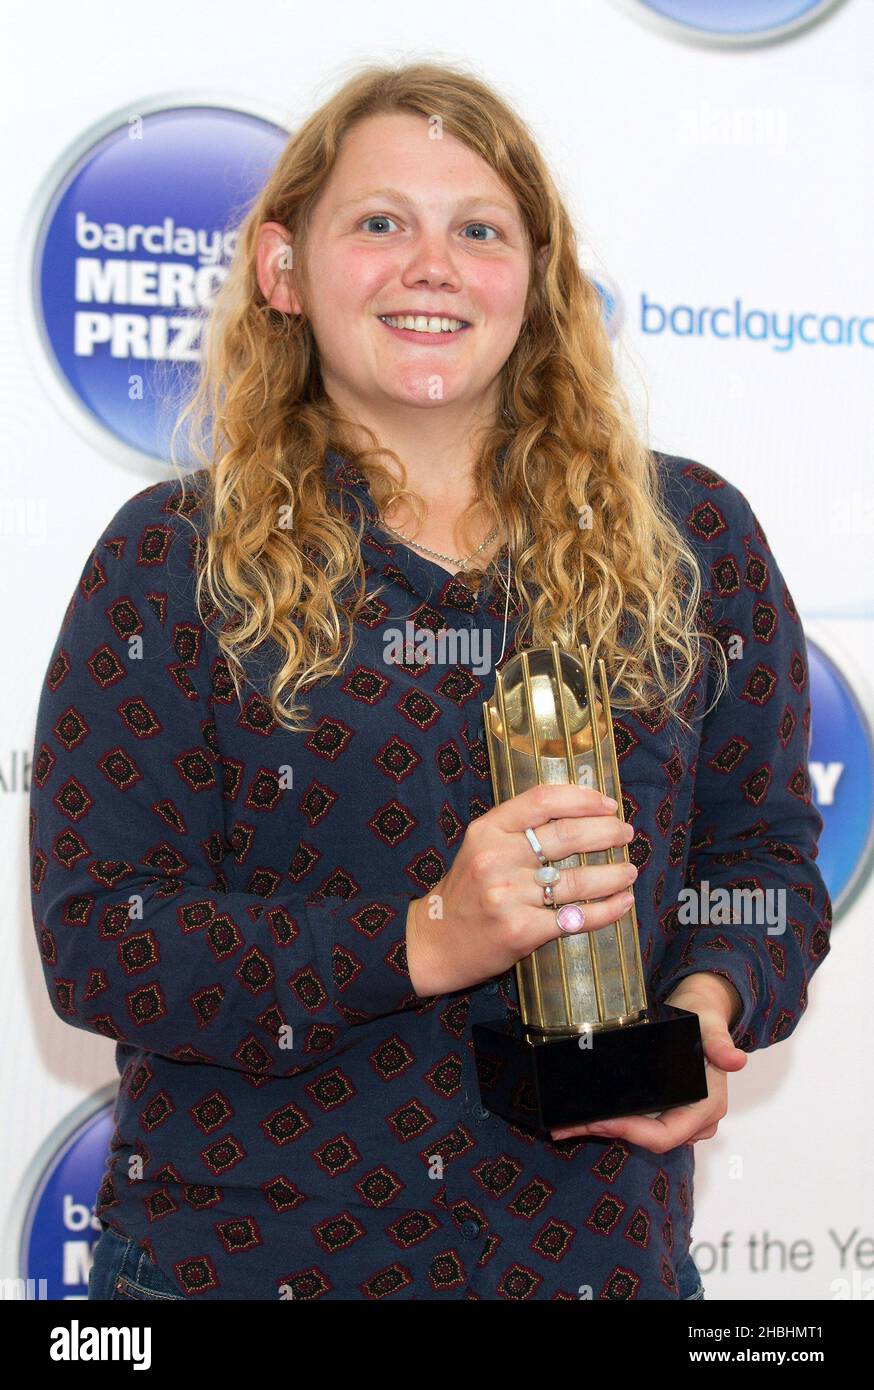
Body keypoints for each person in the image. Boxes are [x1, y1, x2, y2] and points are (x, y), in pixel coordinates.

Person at [29, 61, 831, 1302]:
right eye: (380, 223)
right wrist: (423, 936)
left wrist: (705, 1004)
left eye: (478, 229)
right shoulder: (170, 560)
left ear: (540, 279)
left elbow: (766, 857)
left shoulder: (691, 536)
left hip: (594, 1266)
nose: (432, 265)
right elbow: (101, 941)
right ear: (283, 269)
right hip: (244, 1268)